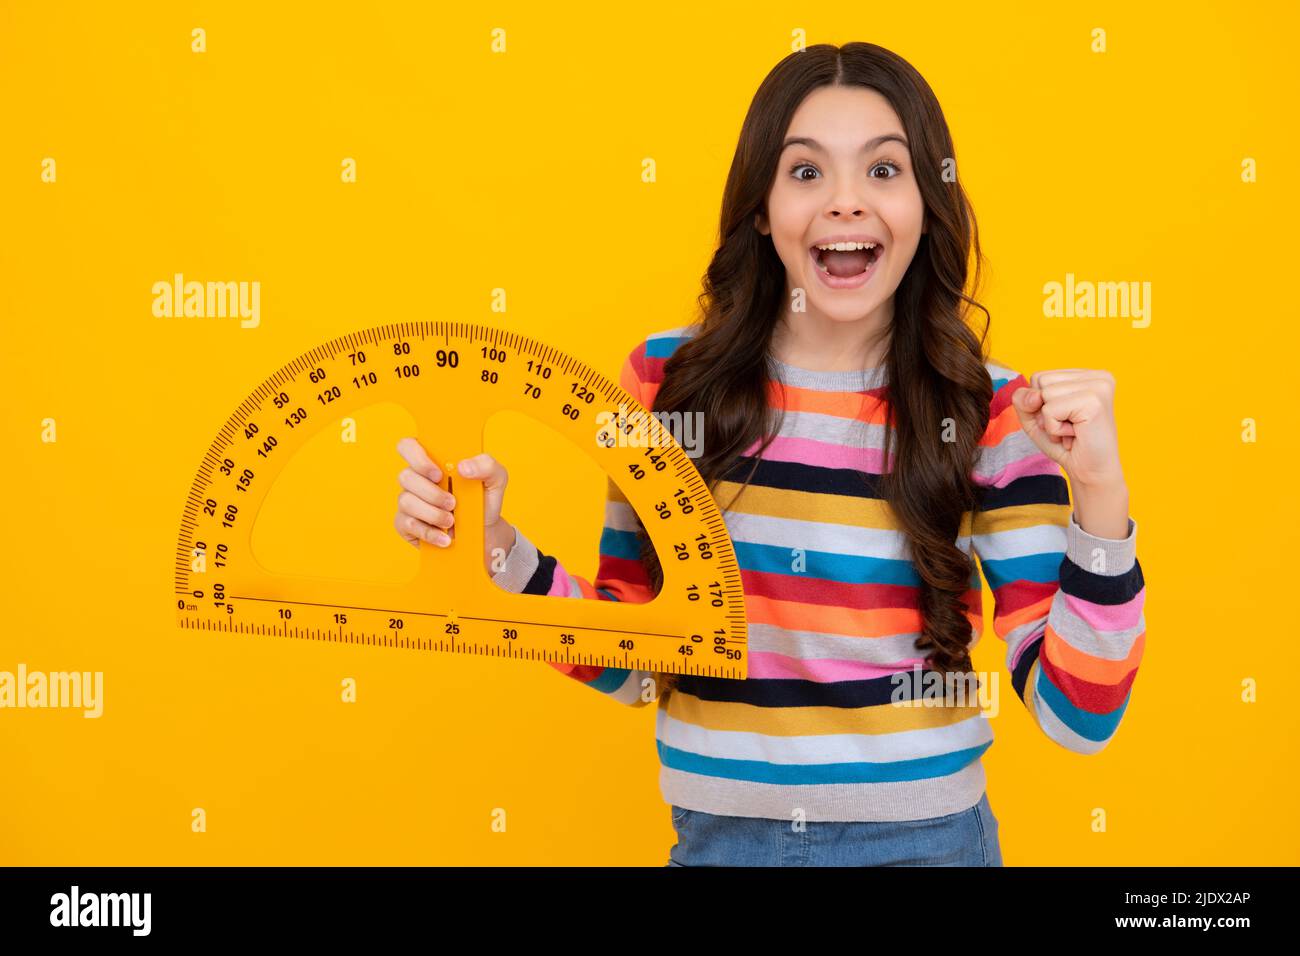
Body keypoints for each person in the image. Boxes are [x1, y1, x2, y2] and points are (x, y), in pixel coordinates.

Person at [393, 41, 1145, 867]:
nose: (847, 203)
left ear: (930, 203)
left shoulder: (993, 410)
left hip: (928, 847)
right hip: (717, 845)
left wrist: (1100, 493)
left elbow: (1077, 717)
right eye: (807, 172)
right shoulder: (666, 383)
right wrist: (496, 548)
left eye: (885, 171)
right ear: (760, 207)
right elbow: (637, 664)